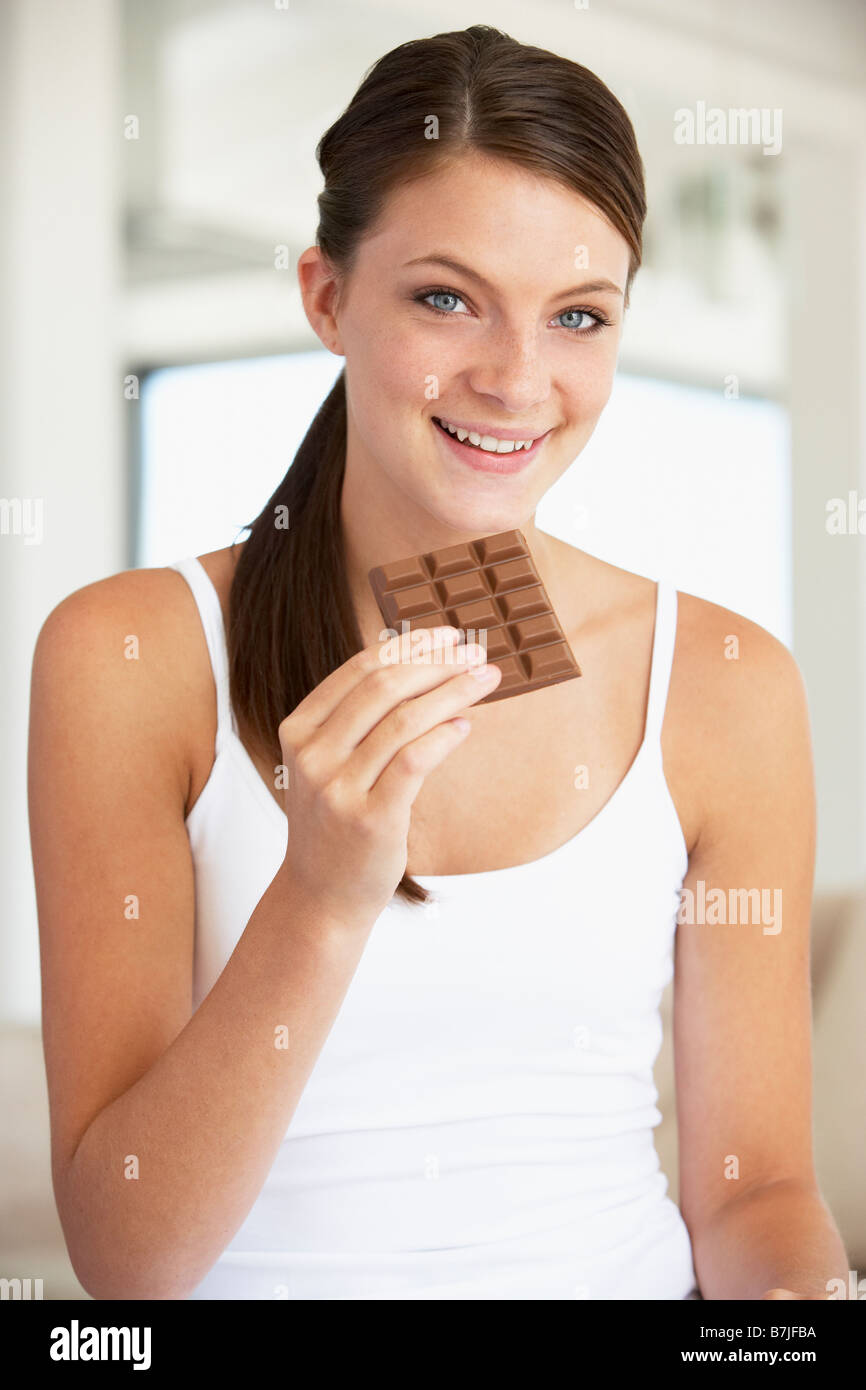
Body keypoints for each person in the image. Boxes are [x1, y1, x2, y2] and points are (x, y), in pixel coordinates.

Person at [29, 24, 847, 1301]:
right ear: (325, 296)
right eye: (445, 297)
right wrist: (320, 893)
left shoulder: (725, 680)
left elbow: (755, 1193)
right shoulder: (128, 656)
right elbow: (128, 1263)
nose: (517, 379)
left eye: (577, 316)